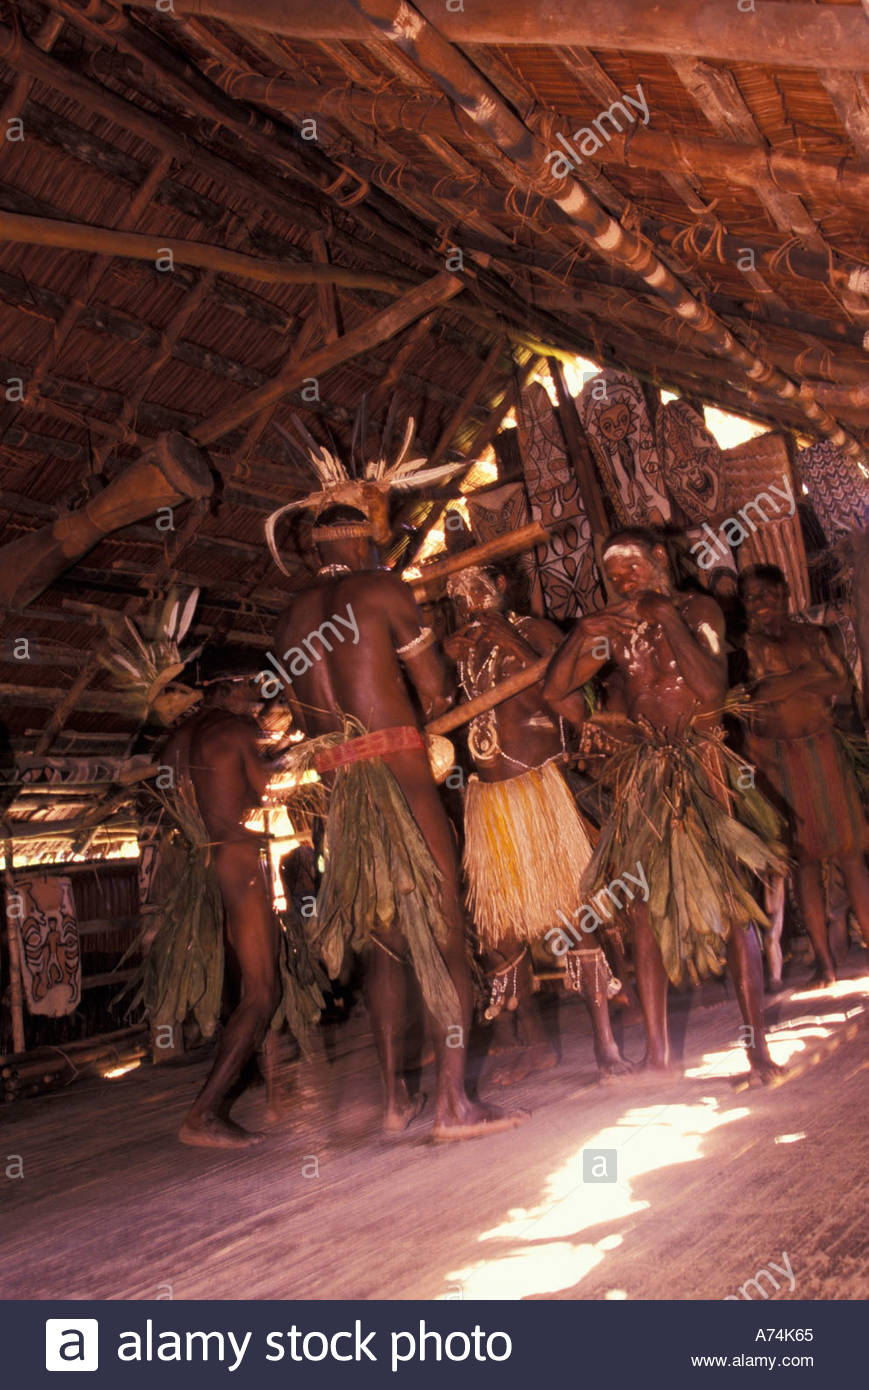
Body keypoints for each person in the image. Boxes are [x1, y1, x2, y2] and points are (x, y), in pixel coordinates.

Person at [270, 492, 524, 1142]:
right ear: (362, 540)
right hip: (400, 773)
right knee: (444, 936)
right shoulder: (382, 590)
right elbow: (436, 687)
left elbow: (307, 724)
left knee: (381, 944)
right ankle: (452, 1107)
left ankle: (392, 1101)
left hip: (343, 794)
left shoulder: (292, 618)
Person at [544, 528, 788, 1081]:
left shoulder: (698, 608)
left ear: (658, 558)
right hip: (645, 777)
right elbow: (554, 695)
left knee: (732, 907)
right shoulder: (615, 631)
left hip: (703, 766)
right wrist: (585, 631)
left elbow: (712, 693)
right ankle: (658, 1055)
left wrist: (667, 617)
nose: (623, 579)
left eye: (631, 566)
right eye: (613, 574)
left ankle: (758, 1054)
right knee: (641, 913)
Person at [444, 565, 632, 1083]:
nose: (468, 604)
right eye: (457, 598)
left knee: (576, 919)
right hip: (488, 799)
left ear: (502, 585)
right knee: (498, 932)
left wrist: (513, 641)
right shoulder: (467, 651)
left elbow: (571, 700)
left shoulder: (538, 632)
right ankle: (536, 1043)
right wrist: (447, 661)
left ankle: (605, 1046)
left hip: (540, 790)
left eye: (476, 590)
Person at [144, 660, 321, 1148]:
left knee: (242, 984)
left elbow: (171, 800)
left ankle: (252, 1083)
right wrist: (300, 760)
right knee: (263, 991)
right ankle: (203, 1113)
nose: (257, 696)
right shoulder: (238, 728)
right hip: (237, 859)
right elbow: (267, 791)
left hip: (198, 865)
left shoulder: (176, 742)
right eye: (250, 685)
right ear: (226, 684)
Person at [739, 564, 869, 986]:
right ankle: (825, 964)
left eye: (767, 594)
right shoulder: (748, 645)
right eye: (752, 597)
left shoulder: (813, 637)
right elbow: (757, 699)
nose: (760, 604)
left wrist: (786, 684)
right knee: (804, 864)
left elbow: (844, 688)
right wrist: (809, 676)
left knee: (850, 856)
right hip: (778, 761)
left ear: (784, 593)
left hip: (825, 751)